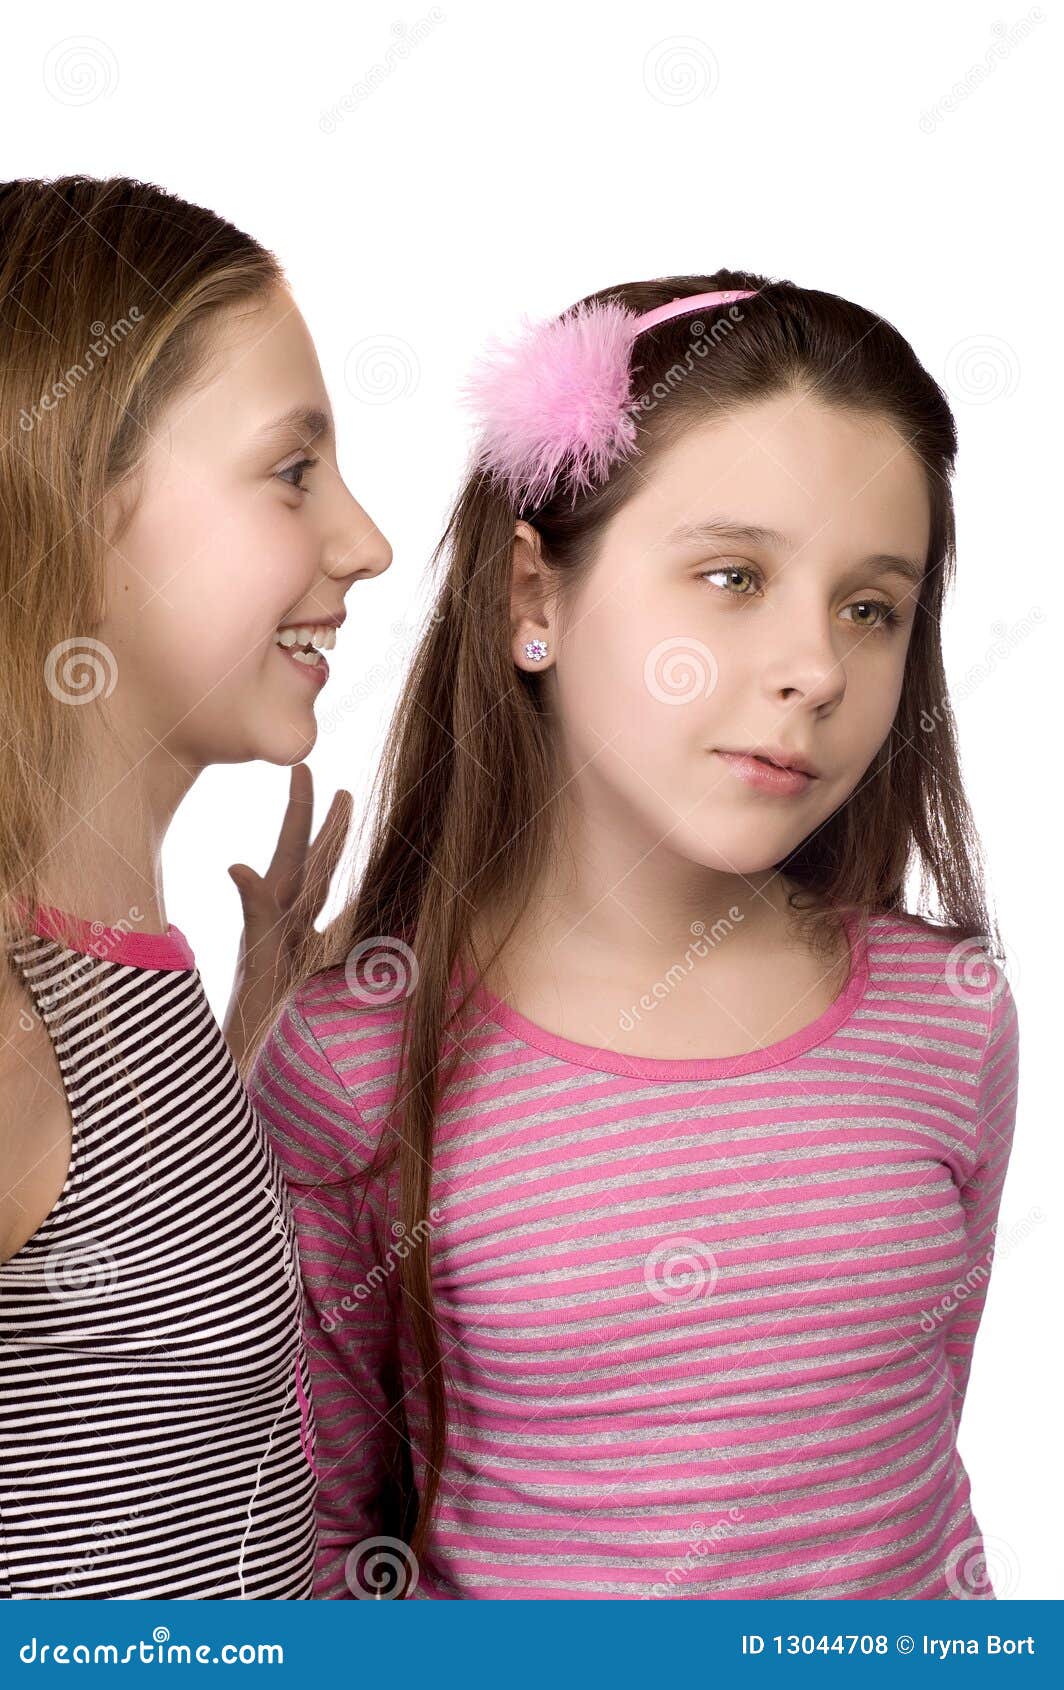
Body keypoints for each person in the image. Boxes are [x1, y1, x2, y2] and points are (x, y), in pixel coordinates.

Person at [248, 271, 1020, 1600]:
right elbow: (317, 1535)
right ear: (534, 599)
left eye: (871, 605)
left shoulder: (949, 1012)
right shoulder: (352, 1054)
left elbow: (914, 1442)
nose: (819, 667)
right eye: (733, 575)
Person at [0, 174, 391, 1597]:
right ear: (82, 505)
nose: (366, 540)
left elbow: (117, 1342)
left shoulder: (101, 969)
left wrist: (245, 1038)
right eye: (293, 470)